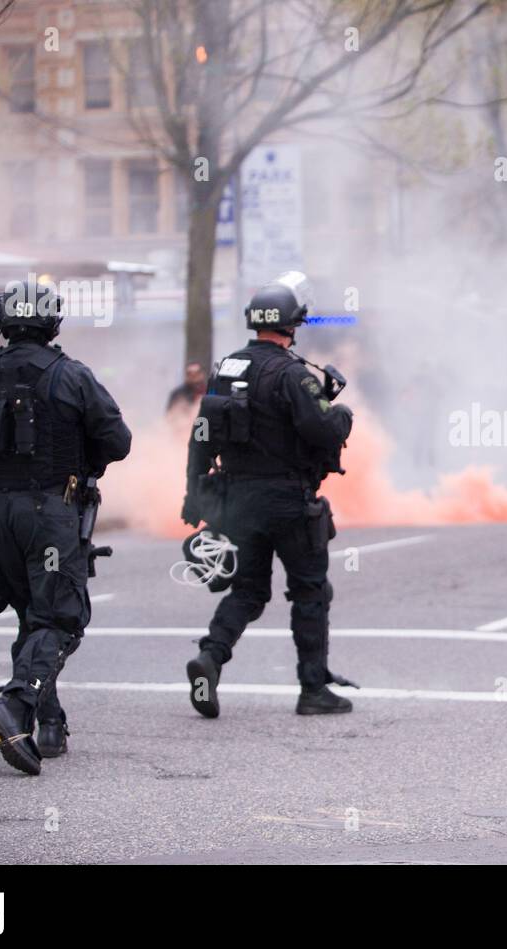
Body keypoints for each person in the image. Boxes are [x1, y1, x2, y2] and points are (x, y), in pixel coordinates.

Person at [0, 280, 132, 774]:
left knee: (33, 616)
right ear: (53, 323)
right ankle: (15, 703)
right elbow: (118, 440)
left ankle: (48, 726)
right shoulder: (70, 375)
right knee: (61, 618)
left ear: (2, 320)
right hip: (48, 514)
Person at [182, 271, 355, 719]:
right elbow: (320, 430)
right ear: (292, 323)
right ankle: (313, 689)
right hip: (288, 502)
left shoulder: (226, 370)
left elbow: (200, 436)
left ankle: (211, 656)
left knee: (248, 591)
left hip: (238, 502)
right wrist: (342, 414)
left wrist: (194, 496)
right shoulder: (293, 375)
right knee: (310, 590)